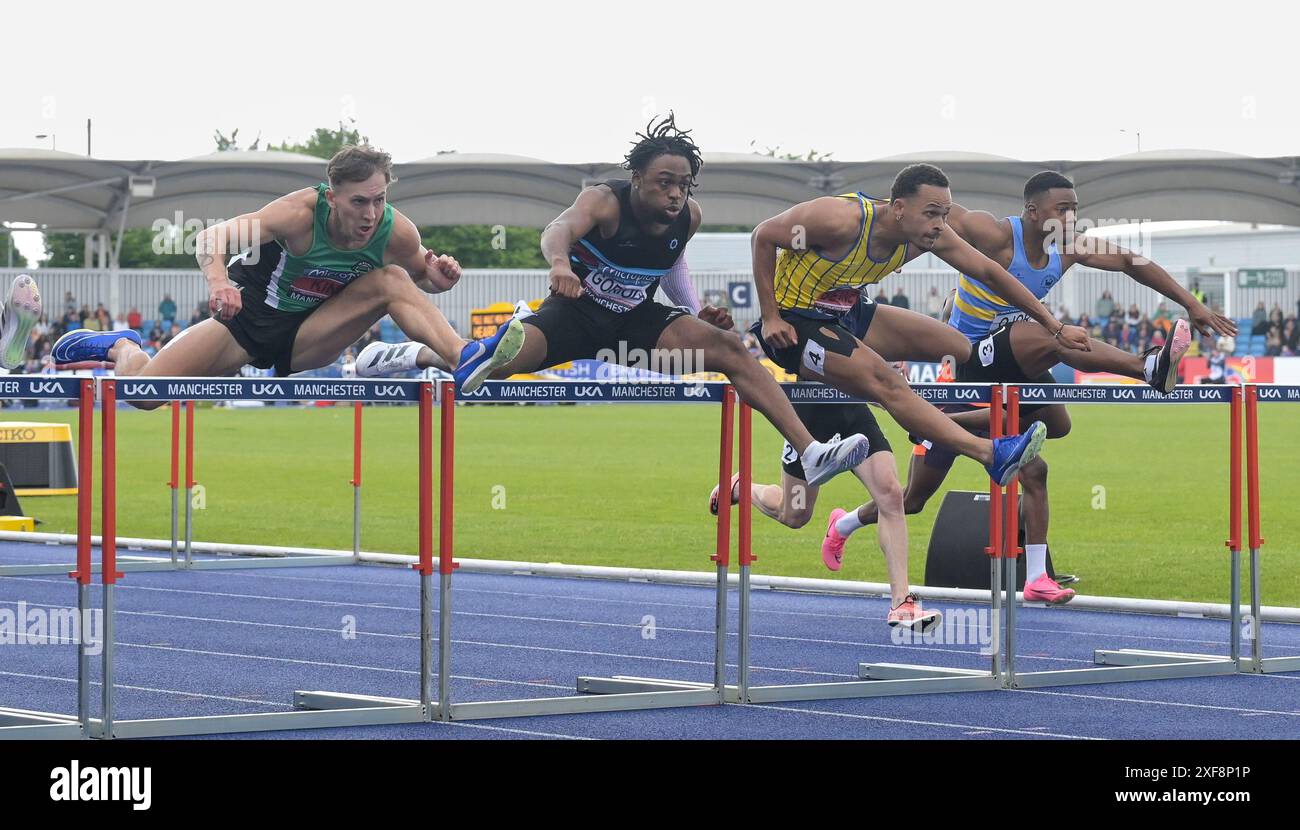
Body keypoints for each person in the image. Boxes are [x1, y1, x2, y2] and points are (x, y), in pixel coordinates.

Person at [370, 115, 875, 485]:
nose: (675, 193)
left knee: (727, 347)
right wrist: (561, 265)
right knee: (485, 364)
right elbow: (557, 229)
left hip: (636, 323)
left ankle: (809, 452)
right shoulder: (604, 201)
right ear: (637, 178)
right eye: (664, 182)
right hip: (574, 314)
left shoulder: (689, 217)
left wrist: (696, 309)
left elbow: (671, 262)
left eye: (683, 184)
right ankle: (411, 353)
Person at [53, 145, 526, 410]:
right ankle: (121, 347)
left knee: (392, 279)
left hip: (312, 334)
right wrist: (219, 283)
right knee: (144, 397)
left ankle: (461, 355)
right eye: (359, 202)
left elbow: (422, 279)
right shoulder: (297, 214)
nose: (371, 213)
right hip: (249, 319)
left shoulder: (394, 230)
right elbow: (210, 238)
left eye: (379, 199)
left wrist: (439, 276)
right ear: (332, 194)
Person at [749, 163, 1088, 487]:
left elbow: (989, 272)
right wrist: (770, 317)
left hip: (847, 312)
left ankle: (921, 418)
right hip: (794, 320)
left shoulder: (929, 235)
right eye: (931, 213)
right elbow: (763, 236)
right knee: (889, 383)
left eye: (945, 213)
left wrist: (1053, 326)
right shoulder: (840, 220)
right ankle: (988, 453)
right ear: (898, 207)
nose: (940, 223)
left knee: (958, 347)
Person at [710, 295, 938, 630]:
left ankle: (901, 603)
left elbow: (879, 333)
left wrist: (894, 359)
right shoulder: (808, 285)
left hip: (852, 411)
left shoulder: (860, 293)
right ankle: (741, 487)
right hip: (810, 416)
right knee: (795, 513)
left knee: (890, 494)